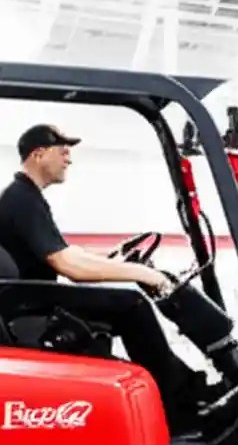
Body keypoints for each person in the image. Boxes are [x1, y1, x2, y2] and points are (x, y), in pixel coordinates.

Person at [0, 124, 224, 417]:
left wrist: (113, 261)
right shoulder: (22, 199)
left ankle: (186, 388)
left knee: (123, 304)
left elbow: (64, 252)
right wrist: (142, 274)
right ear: (39, 154)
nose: (69, 158)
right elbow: (68, 265)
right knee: (132, 305)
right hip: (26, 304)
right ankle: (180, 401)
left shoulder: (25, 196)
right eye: (63, 150)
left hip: (28, 297)